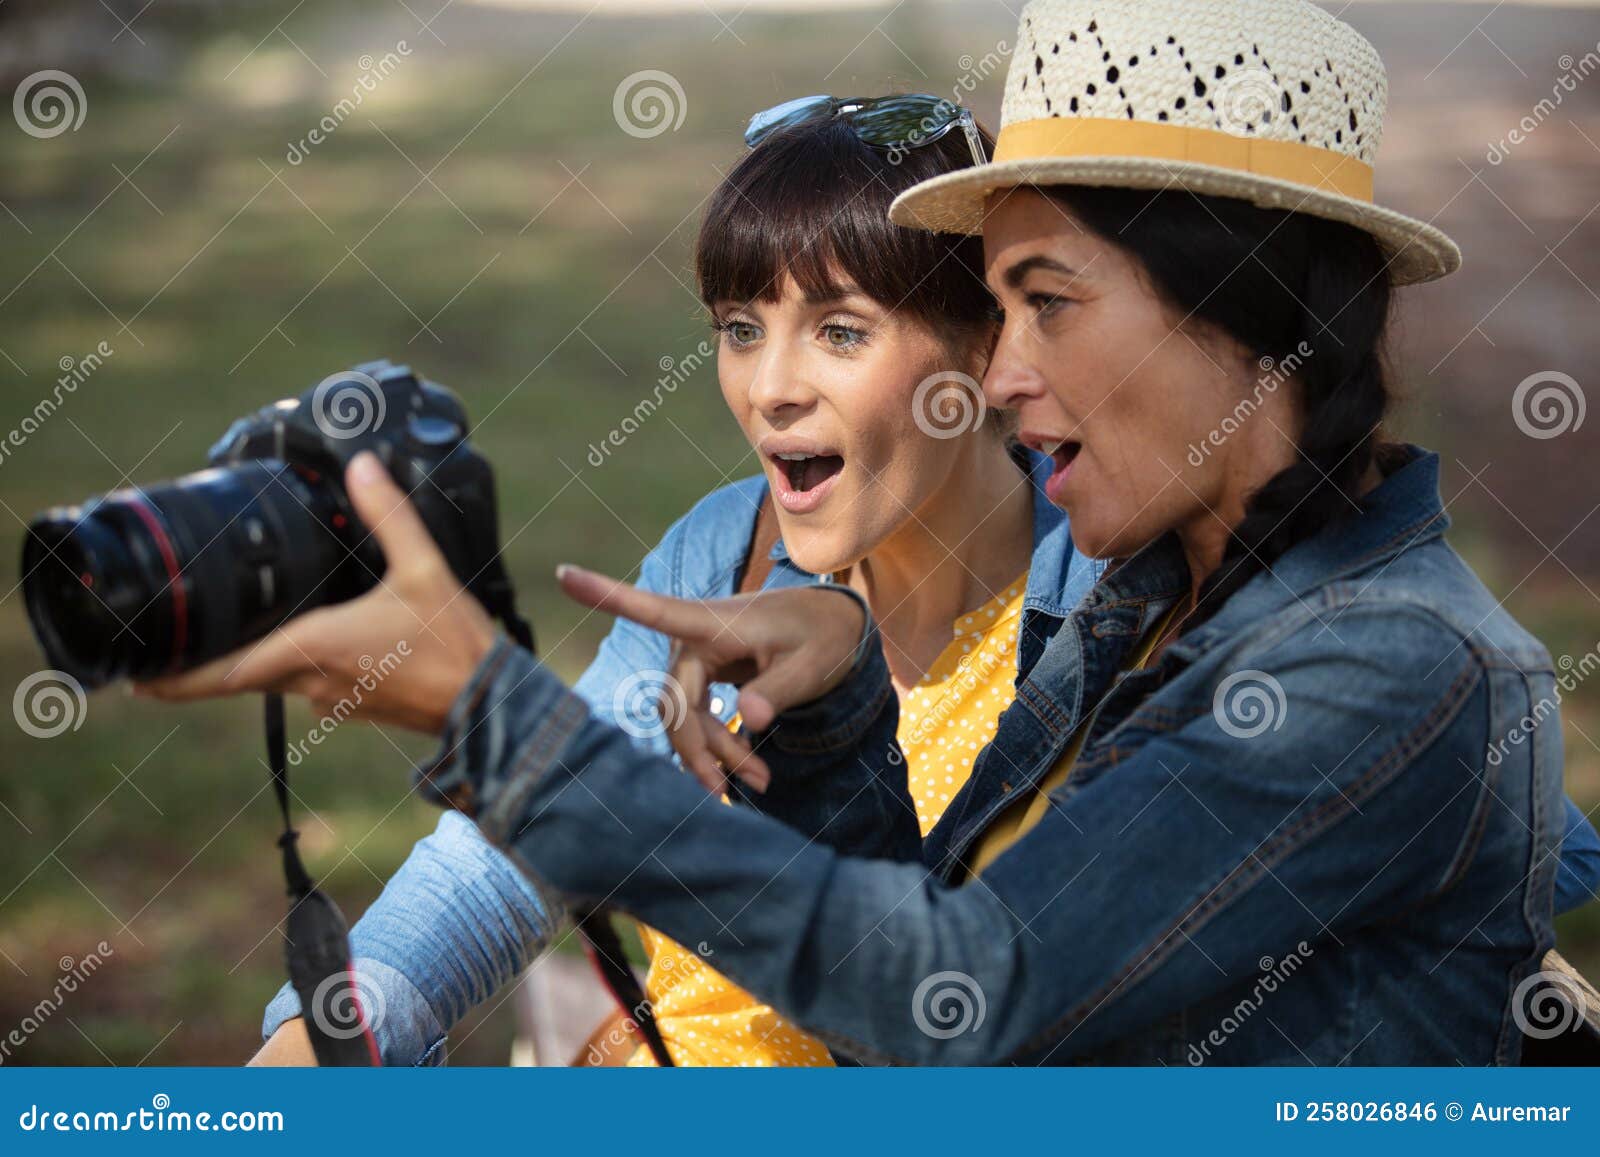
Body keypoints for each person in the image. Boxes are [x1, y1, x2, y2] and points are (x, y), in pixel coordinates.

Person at [148, 0, 1600, 1064]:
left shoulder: (1368, 658)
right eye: (737, 326)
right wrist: (843, 711)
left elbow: (971, 992)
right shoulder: (1165, 588)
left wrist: (506, 730)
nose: (1008, 371)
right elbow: (944, 982)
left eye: (1047, 301)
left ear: (1234, 308)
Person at [247, 95, 1104, 1067]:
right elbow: (509, 859)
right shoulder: (725, 549)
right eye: (741, 327)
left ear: (984, 345)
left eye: (840, 331)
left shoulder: (1100, 600)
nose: (769, 386)